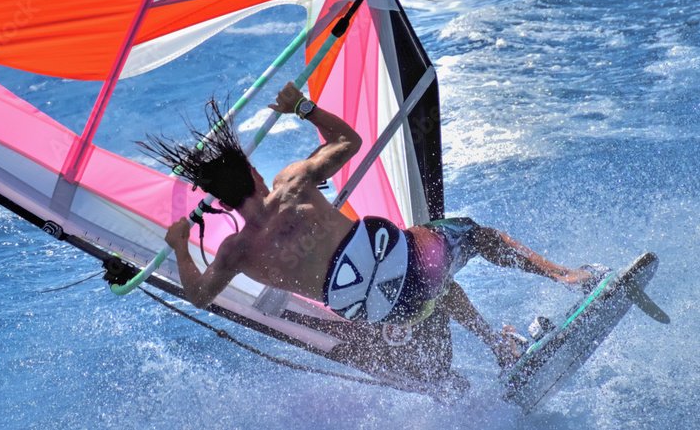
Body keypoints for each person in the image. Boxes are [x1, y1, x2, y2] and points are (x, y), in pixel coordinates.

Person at [141, 82, 608, 370]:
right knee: (471, 235)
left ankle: (499, 347)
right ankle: (569, 277)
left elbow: (198, 295)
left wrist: (180, 245)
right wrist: (302, 107)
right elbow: (349, 140)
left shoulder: (235, 252)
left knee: (431, 288)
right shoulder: (293, 183)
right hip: (415, 267)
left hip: (388, 313)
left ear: (221, 202)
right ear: (251, 168)